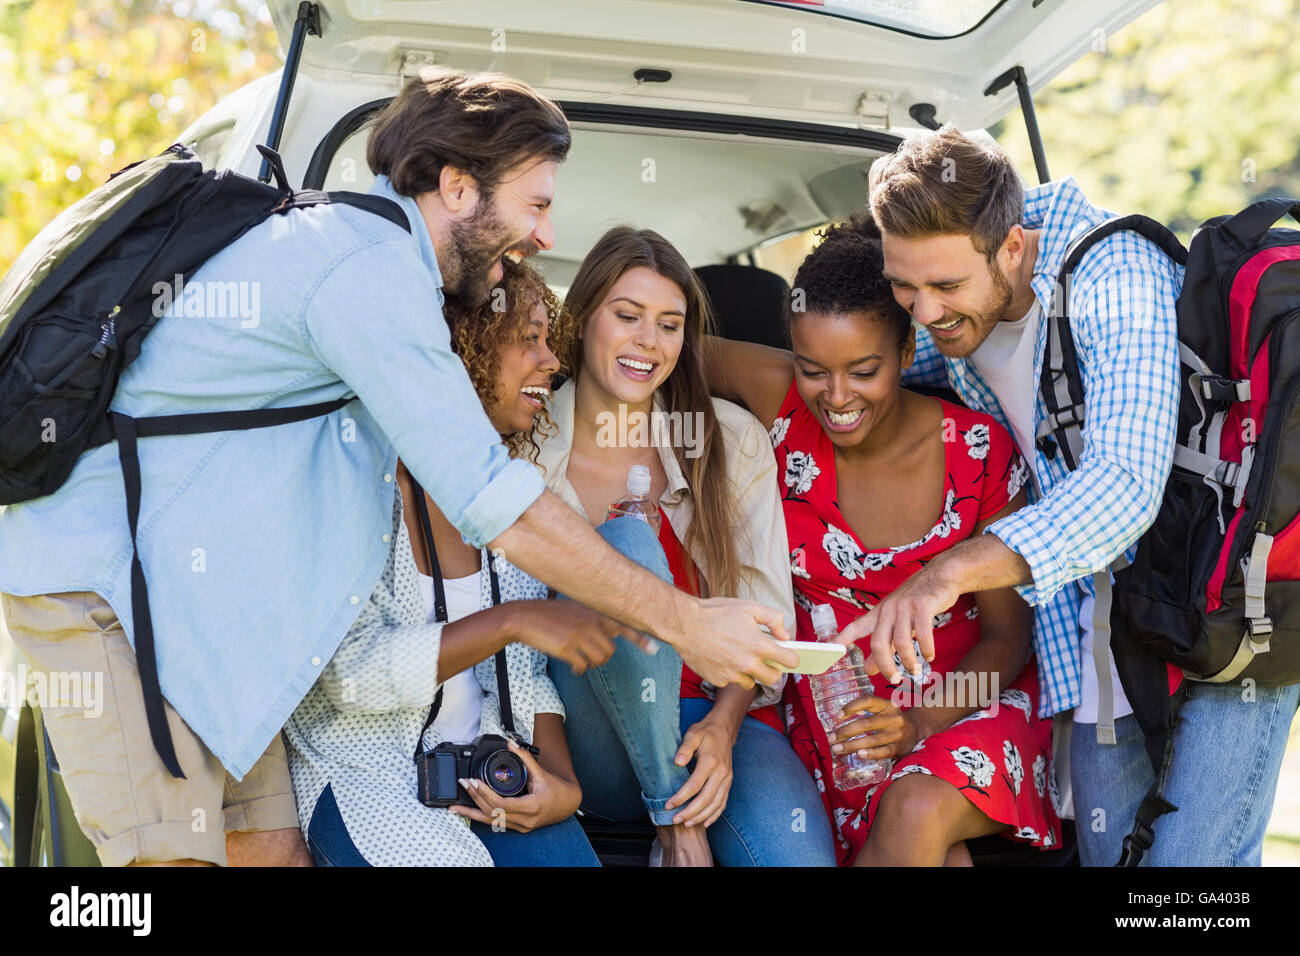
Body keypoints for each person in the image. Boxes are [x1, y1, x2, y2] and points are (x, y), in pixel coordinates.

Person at [0, 68, 795, 867]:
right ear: (456, 187)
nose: (546, 237)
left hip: (196, 599)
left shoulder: (374, 259)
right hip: (109, 583)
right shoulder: (365, 268)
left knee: (270, 852)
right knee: (170, 858)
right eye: (538, 204)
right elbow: (494, 499)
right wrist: (686, 620)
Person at [847, 125, 1300, 865]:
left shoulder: (1111, 274)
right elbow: (857, 367)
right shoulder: (956, 315)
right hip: (1099, 639)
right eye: (905, 286)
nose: (923, 312)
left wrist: (947, 575)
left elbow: (1124, 483)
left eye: (945, 287)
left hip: (1223, 607)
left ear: (1014, 249)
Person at [705, 218, 1057, 866]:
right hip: (840, 723)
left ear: (905, 351)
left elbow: (1007, 640)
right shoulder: (781, 398)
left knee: (917, 808)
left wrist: (921, 724)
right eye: (815, 369)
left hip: (964, 704)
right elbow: (662, 347)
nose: (836, 398)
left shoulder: (978, 449)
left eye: (863, 370)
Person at [286, 259, 617, 866]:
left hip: (488, 770)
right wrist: (510, 620)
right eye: (530, 340)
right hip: (370, 775)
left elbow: (527, 676)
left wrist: (561, 791)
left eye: (552, 341)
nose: (553, 362)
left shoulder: (508, 490)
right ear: (464, 347)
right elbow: (348, 676)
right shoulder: (360, 480)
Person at [533, 226, 835, 867]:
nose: (648, 340)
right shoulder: (525, 446)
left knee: (794, 856)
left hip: (716, 713)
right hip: (589, 730)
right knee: (625, 549)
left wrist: (723, 730)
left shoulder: (728, 438)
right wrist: (678, 812)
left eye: (669, 324)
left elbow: (767, 625)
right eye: (627, 316)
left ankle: (685, 796)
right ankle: (675, 825)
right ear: (583, 318)